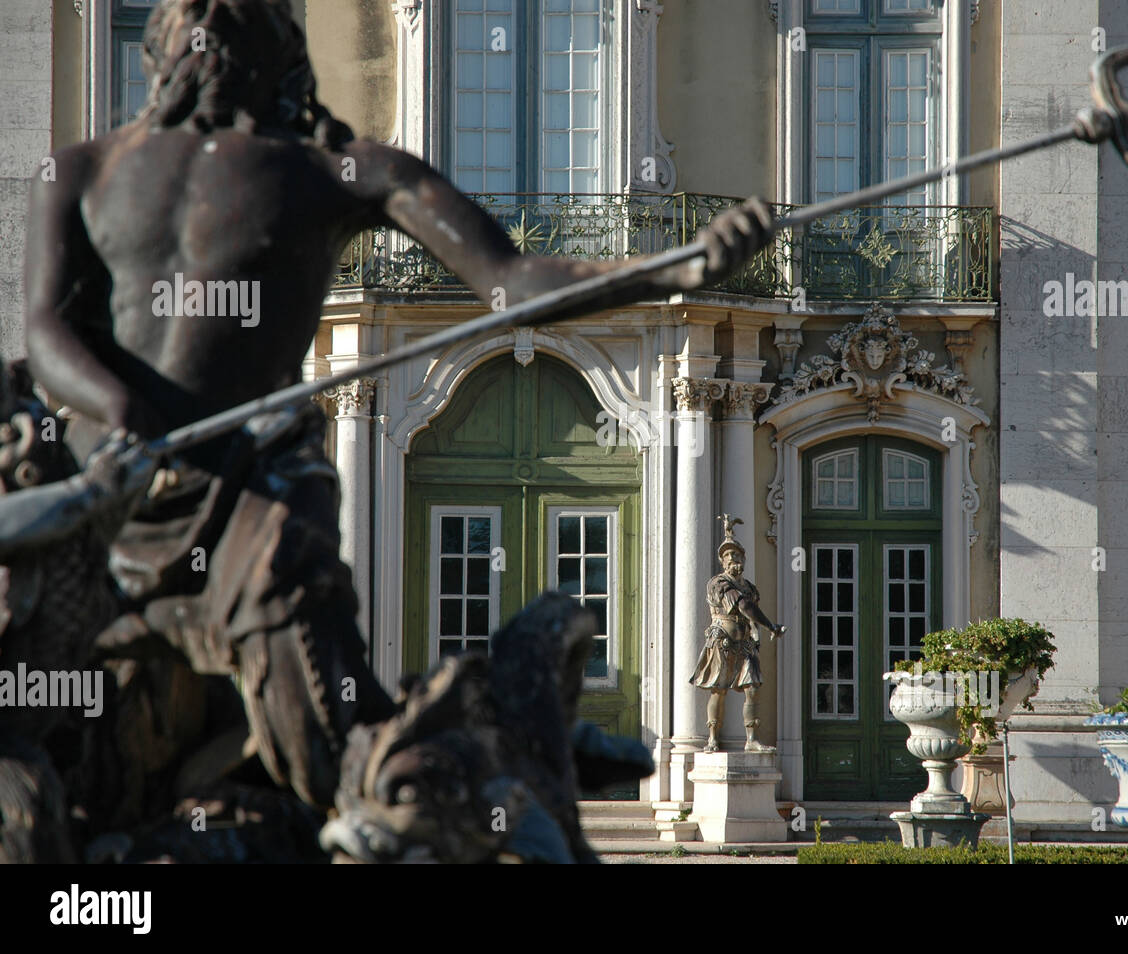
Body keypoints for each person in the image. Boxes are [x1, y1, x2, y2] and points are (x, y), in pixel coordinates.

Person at [21, 0, 774, 810]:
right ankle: (495, 745)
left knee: (324, 743)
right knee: (66, 727)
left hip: (240, 497)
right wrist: (125, 412)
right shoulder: (98, 172)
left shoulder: (315, 171)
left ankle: (486, 749)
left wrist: (676, 272)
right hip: (116, 493)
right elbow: (46, 330)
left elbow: (509, 284)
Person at [689, 516, 786, 753]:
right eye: (728, 556)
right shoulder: (719, 584)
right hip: (722, 640)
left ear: (744, 558)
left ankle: (751, 739)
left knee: (752, 688)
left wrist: (757, 635)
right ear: (722, 562)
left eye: (737, 555)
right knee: (719, 689)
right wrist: (771, 625)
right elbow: (744, 607)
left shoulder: (751, 587)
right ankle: (712, 737)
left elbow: (751, 615)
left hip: (745, 643)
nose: (733, 559)